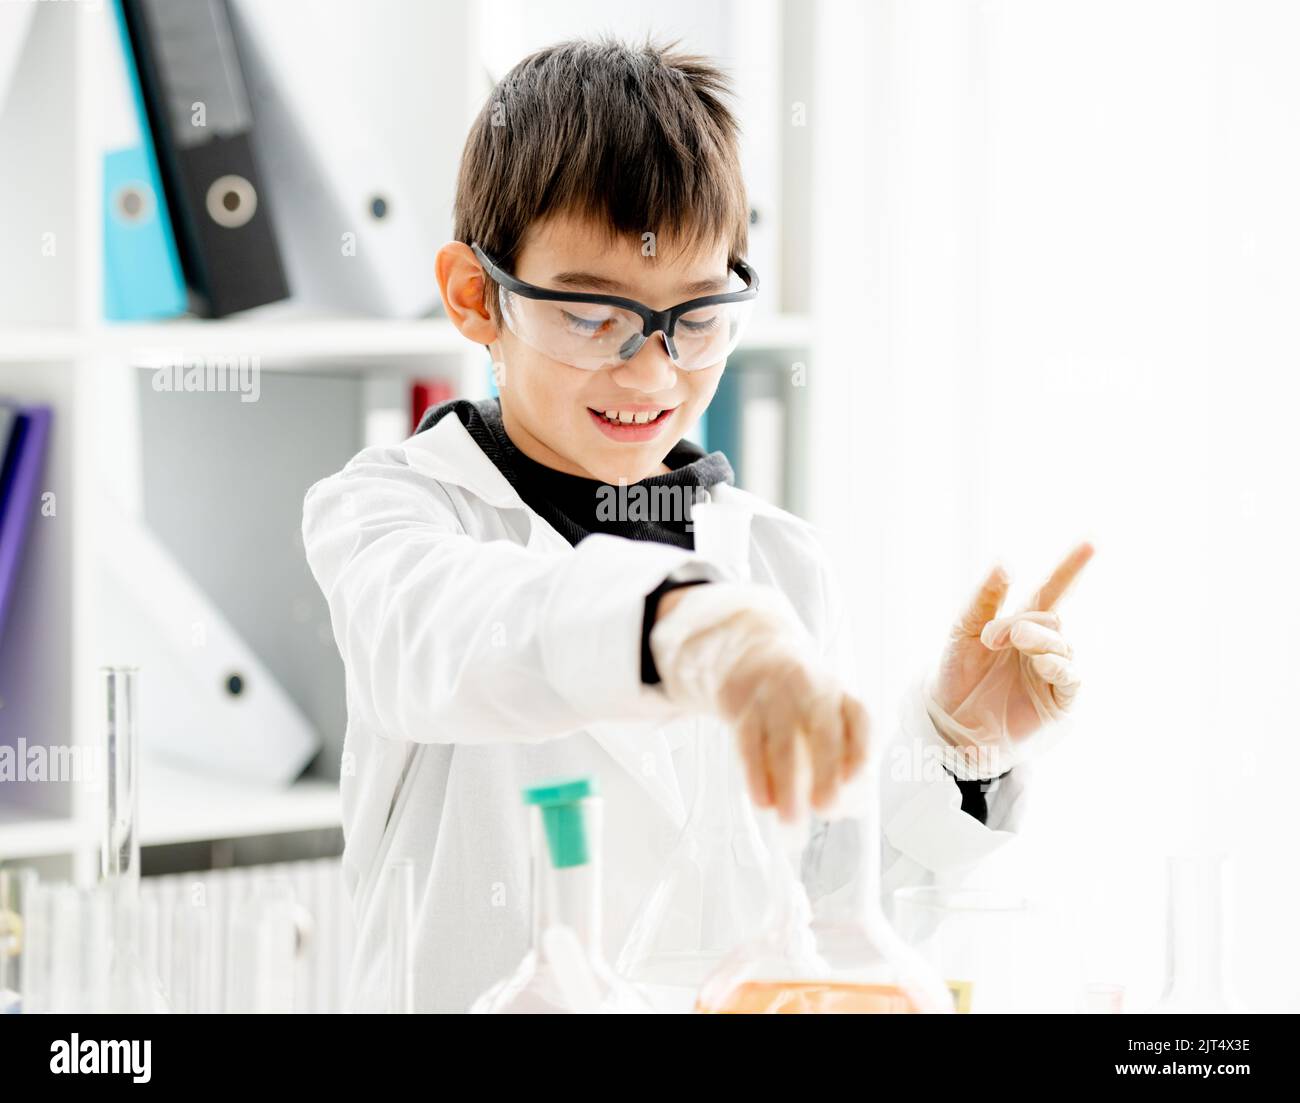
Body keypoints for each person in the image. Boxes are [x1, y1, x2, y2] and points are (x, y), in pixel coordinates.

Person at [302, 37, 1092, 1012]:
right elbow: (448, 633)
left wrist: (957, 750)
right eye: (592, 315)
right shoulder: (392, 511)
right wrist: (685, 626)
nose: (650, 371)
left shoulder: (778, 561)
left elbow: (832, 922)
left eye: (697, 315)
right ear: (477, 297)